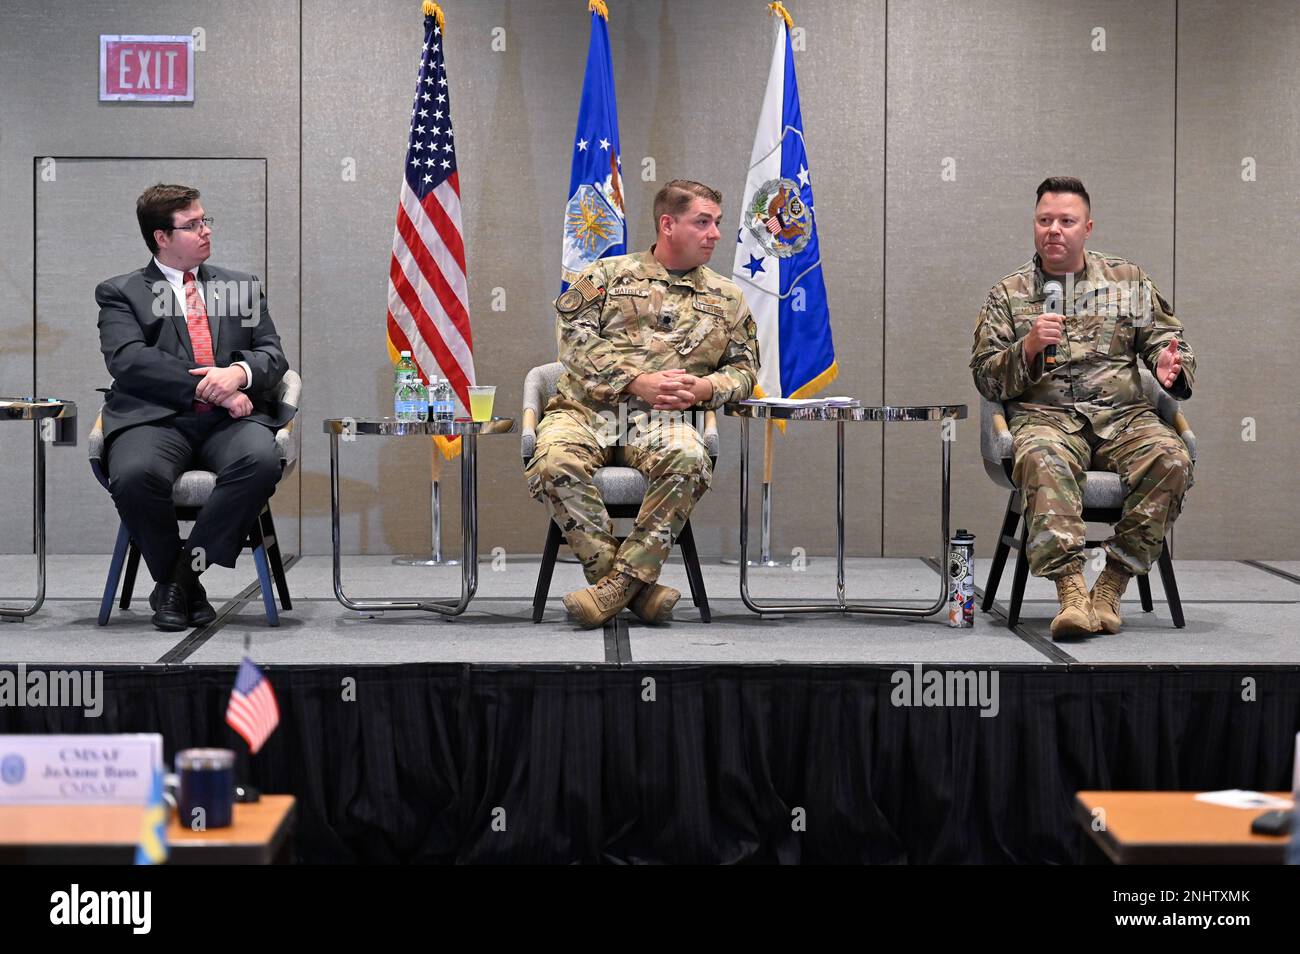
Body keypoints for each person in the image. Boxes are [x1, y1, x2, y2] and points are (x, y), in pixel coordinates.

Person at [526, 179, 759, 628]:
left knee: (690, 456)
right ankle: (634, 590)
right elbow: (572, 343)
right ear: (668, 224)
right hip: (585, 411)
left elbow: (746, 372)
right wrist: (637, 380)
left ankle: (615, 588)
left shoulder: (728, 298)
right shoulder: (606, 275)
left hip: (661, 420)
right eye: (702, 222)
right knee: (552, 459)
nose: (714, 233)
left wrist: (703, 390)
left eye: (717, 224)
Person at [970, 176, 1196, 639]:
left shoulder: (1128, 281)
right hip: (1045, 421)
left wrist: (1172, 365)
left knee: (1172, 457)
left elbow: (1166, 343)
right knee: (1040, 457)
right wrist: (1027, 348)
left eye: (1066, 221)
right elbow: (985, 376)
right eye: (1044, 220)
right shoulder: (1008, 294)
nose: (1054, 230)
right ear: (1034, 225)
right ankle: (1072, 591)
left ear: (1087, 227)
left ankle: (1111, 584)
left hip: (1124, 418)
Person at [96, 183, 292, 631]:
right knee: (132, 474)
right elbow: (128, 360)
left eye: (206, 221)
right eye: (193, 225)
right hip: (156, 419)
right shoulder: (121, 292)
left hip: (232, 421)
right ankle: (187, 590)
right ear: (161, 237)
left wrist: (238, 375)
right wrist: (211, 387)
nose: (206, 231)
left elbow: (272, 354)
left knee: (261, 461)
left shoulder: (240, 287)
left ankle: (180, 582)